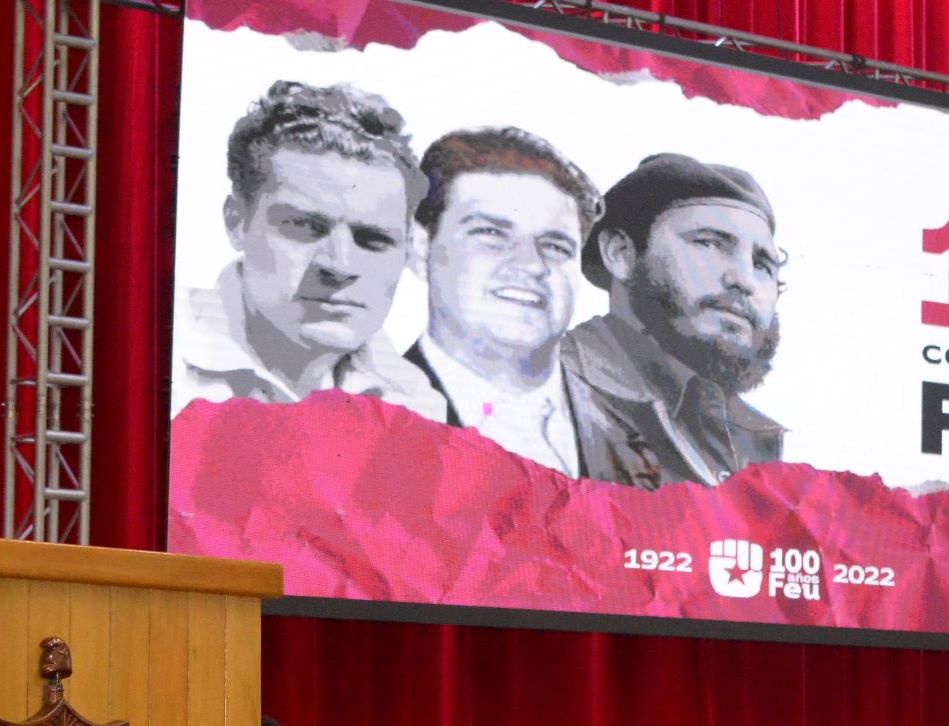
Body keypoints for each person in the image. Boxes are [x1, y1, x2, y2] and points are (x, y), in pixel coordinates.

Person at [172, 80, 446, 423]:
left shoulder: (416, 404)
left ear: (407, 251)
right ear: (236, 222)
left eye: (373, 240)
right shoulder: (150, 350)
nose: (341, 265)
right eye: (303, 226)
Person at [403, 127, 657, 485]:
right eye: (491, 233)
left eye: (555, 246)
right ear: (420, 249)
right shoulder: (362, 424)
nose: (532, 265)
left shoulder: (638, 443)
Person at [563, 152, 786, 487]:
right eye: (709, 243)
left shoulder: (751, 439)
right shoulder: (539, 392)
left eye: (763, 264)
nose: (745, 279)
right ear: (620, 255)